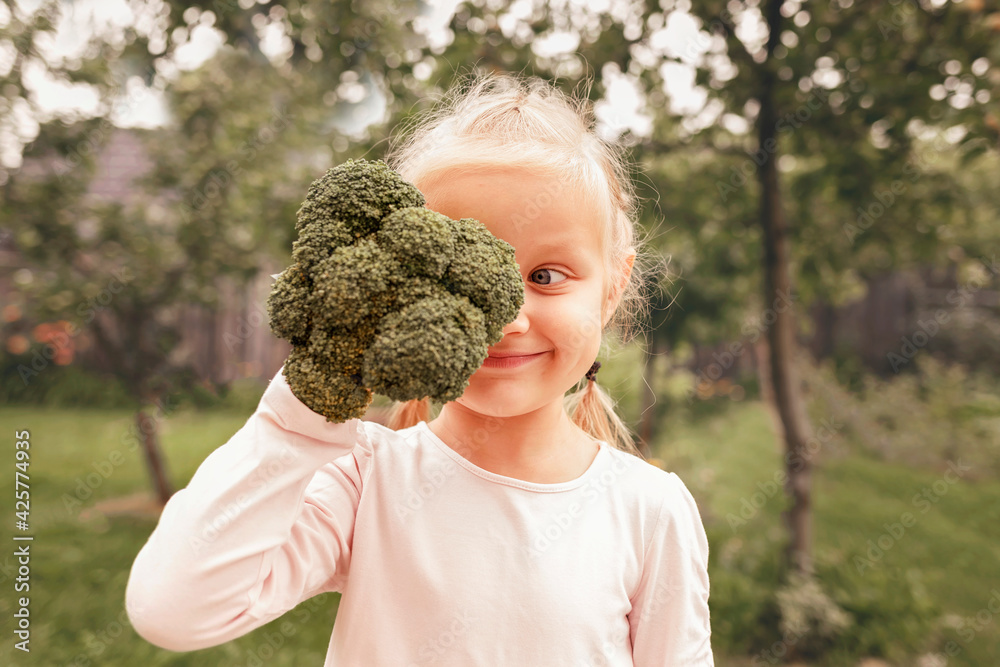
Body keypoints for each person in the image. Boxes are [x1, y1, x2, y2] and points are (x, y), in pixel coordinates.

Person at [125, 70, 713, 666]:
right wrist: (305, 410)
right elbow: (173, 609)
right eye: (458, 277)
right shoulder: (365, 483)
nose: (508, 317)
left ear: (613, 286)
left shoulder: (649, 510)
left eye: (545, 277)